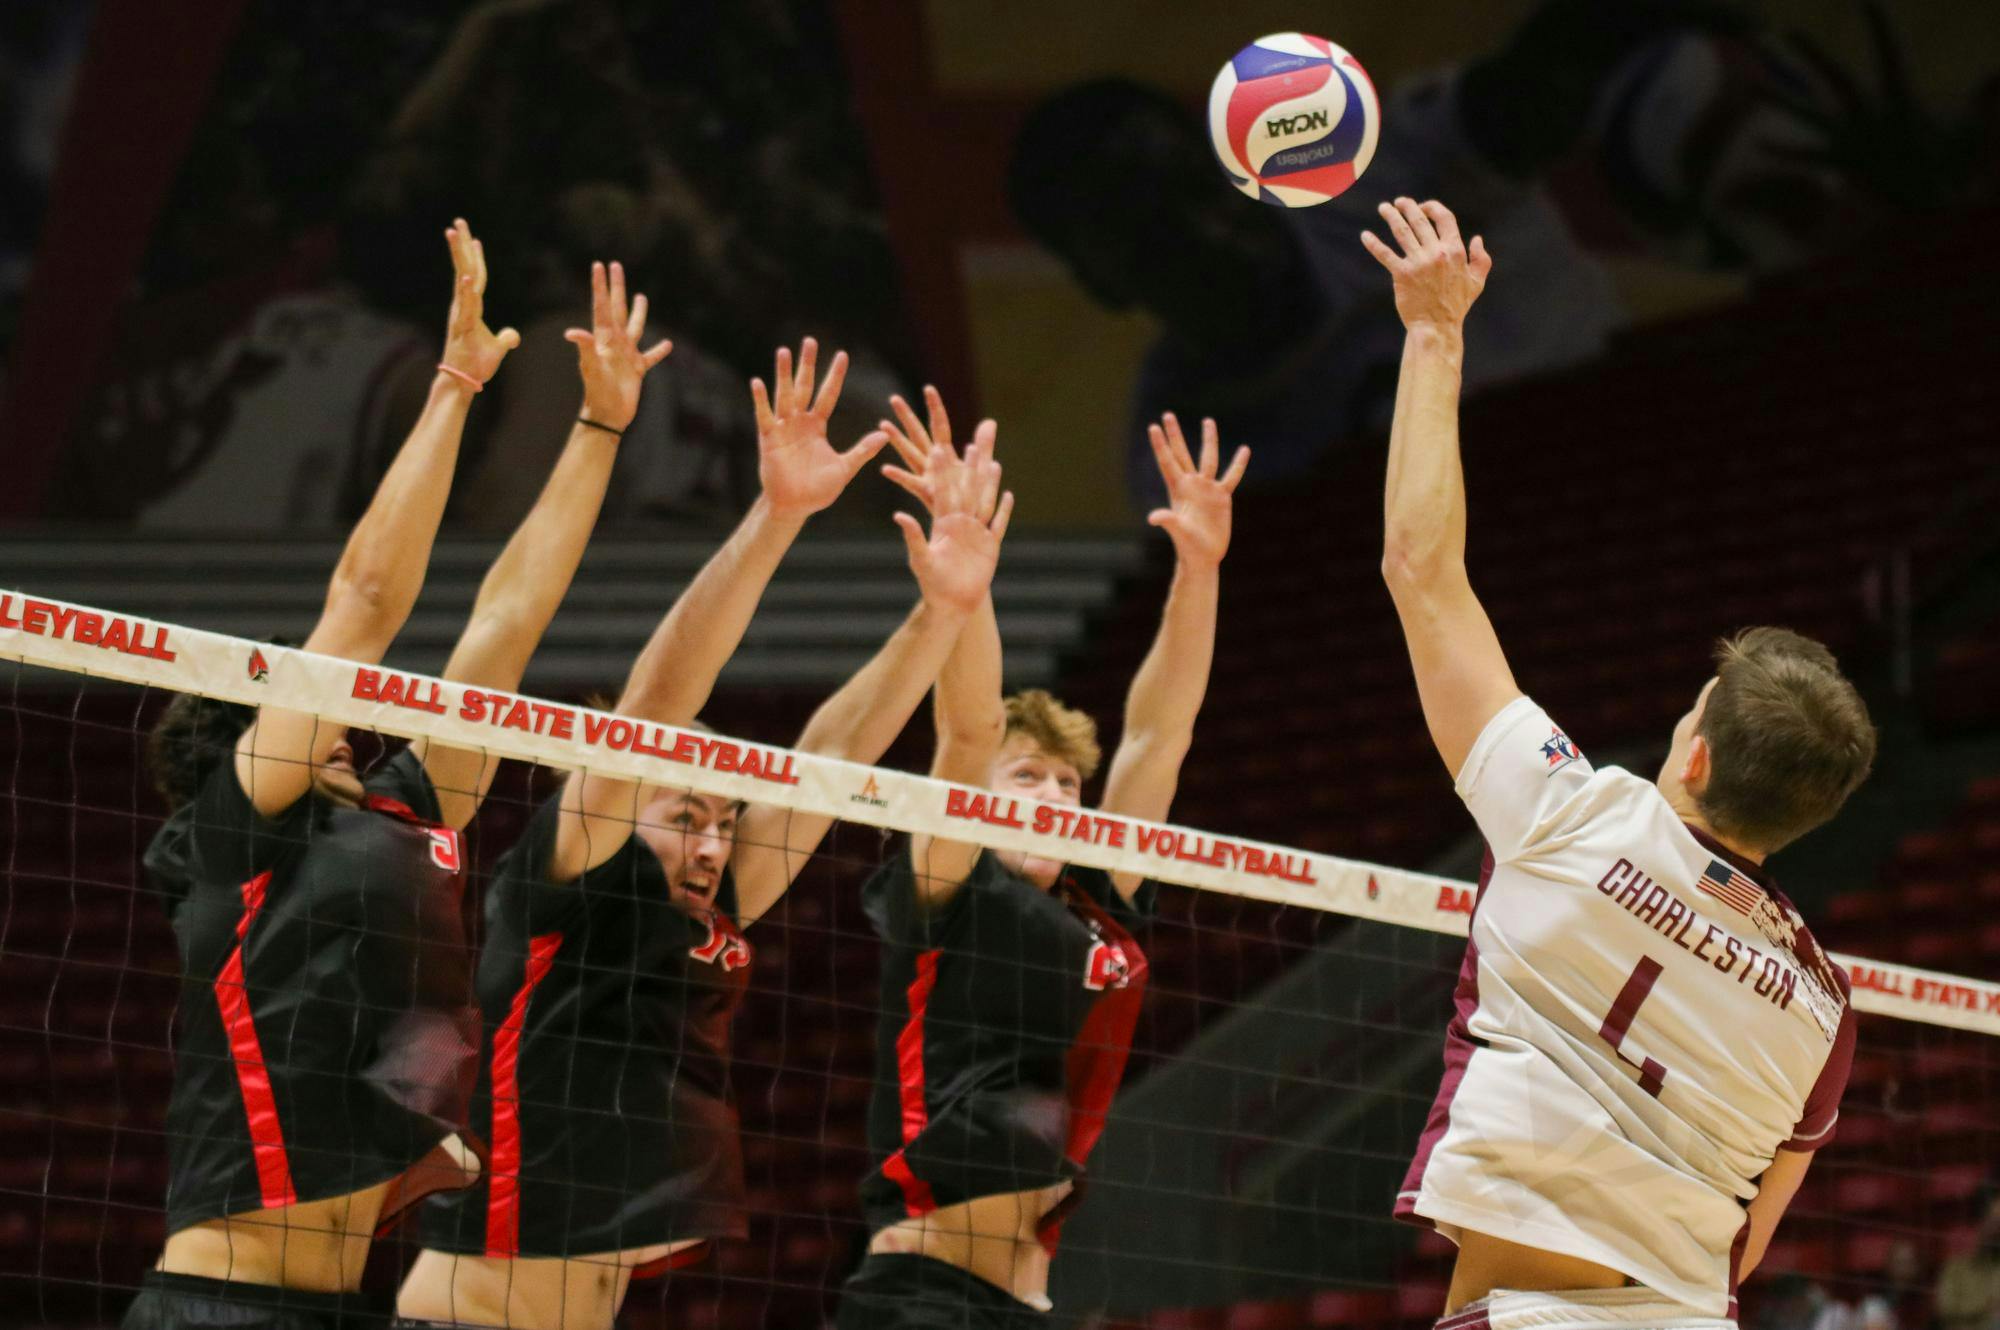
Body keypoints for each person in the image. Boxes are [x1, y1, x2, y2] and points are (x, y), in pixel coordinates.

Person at [125, 221, 676, 1330]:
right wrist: (454, 385)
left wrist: (599, 424)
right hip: (217, 1306)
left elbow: (503, 632)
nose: (333, 713)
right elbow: (364, 611)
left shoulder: (404, 808)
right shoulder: (235, 831)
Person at [396, 344, 1012, 1330]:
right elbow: (656, 703)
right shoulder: (565, 879)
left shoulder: (708, 905)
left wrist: (942, 611)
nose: (714, 841)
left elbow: (833, 758)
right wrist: (776, 516)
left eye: (723, 820)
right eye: (685, 815)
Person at [1364, 196, 1876, 1327]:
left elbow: (1420, 569)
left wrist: (1434, 331)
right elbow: (1745, 1244)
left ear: (1690, 755)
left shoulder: (1568, 813)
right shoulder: (1822, 1009)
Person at [836, 394, 1248, 1327]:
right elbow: (967, 726)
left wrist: (1199, 570)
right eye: (1031, 778)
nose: (1060, 799)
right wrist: (965, 581)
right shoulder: (949, 877)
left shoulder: (1099, 898)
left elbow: (1159, 734)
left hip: (1027, 1293)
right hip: (922, 1288)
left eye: (1070, 784)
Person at [1937, 1185, 2000, 1330]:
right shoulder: (1956, 1269)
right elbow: (1945, 1309)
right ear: (1979, 1223)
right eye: (1994, 1221)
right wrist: (1986, 1306)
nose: (1998, 1230)